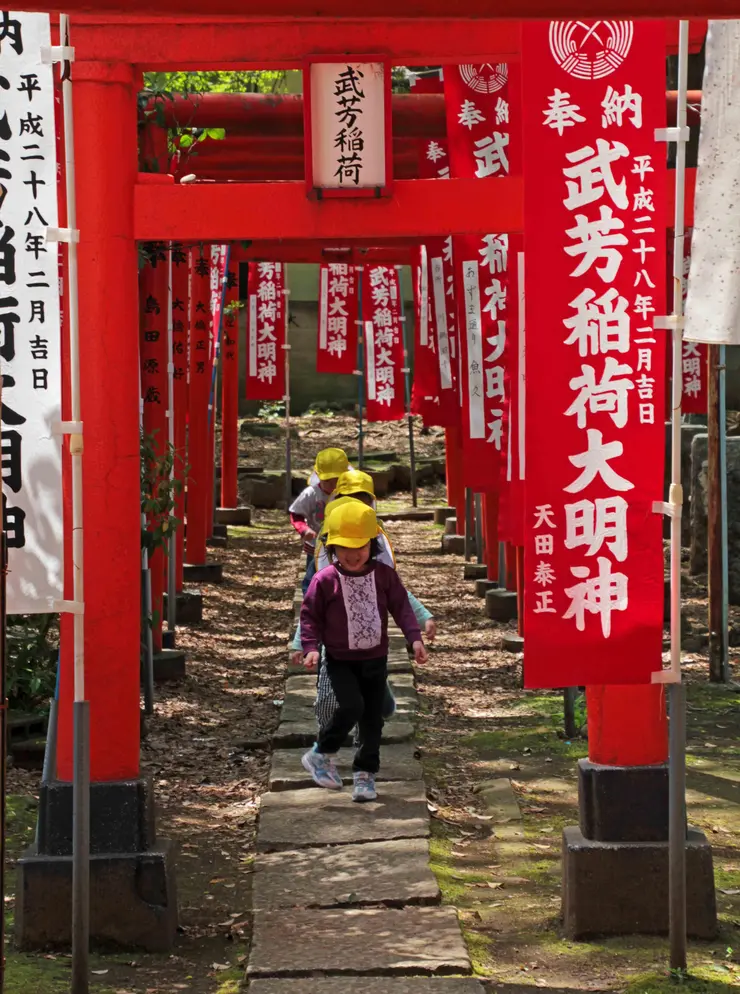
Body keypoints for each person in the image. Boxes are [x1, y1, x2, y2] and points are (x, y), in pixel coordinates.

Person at [289, 470, 436, 733]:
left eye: (362, 499)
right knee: (331, 690)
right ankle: (329, 741)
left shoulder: (373, 541)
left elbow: (396, 593)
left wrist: (421, 617)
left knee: (370, 684)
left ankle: (377, 703)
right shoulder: (329, 545)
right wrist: (302, 642)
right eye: (349, 498)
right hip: (335, 638)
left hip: (369, 639)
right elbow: (313, 603)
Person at [300, 501, 428, 802]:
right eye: (344, 547)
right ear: (332, 547)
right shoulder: (325, 580)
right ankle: (321, 752)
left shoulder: (384, 576)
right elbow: (310, 617)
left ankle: (365, 774)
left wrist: (415, 638)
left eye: (359, 546)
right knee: (352, 706)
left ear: (372, 545)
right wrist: (309, 647)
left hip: (375, 658)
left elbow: (402, 607)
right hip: (340, 660)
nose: (352, 554)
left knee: (373, 719)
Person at [289, 447, 349, 595]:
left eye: (337, 480)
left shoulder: (348, 492)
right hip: (316, 547)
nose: (333, 485)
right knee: (313, 577)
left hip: (343, 544)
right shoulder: (312, 493)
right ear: (318, 475)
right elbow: (295, 514)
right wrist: (303, 529)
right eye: (328, 481)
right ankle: (309, 604)